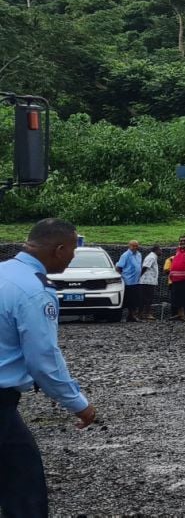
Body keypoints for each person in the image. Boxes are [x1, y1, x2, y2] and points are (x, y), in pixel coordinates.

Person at [0, 219, 98, 516]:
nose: (71, 258)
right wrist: (79, 404)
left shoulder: (4, 272)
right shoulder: (36, 290)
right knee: (22, 477)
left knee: (21, 468)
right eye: (72, 251)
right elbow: (43, 360)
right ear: (59, 249)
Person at [116, 240, 143, 322]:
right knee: (126, 300)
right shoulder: (125, 255)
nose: (135, 247)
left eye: (136, 246)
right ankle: (120, 317)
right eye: (133, 246)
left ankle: (131, 316)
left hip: (136, 281)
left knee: (135, 300)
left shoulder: (139, 254)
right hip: (127, 281)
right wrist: (121, 278)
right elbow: (119, 267)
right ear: (129, 246)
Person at [139, 245, 160, 320]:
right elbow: (145, 266)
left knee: (146, 298)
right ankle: (146, 314)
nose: (161, 252)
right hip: (147, 281)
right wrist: (140, 276)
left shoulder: (153, 256)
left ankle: (142, 314)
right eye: (160, 250)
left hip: (149, 281)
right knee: (148, 298)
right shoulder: (151, 257)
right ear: (156, 250)